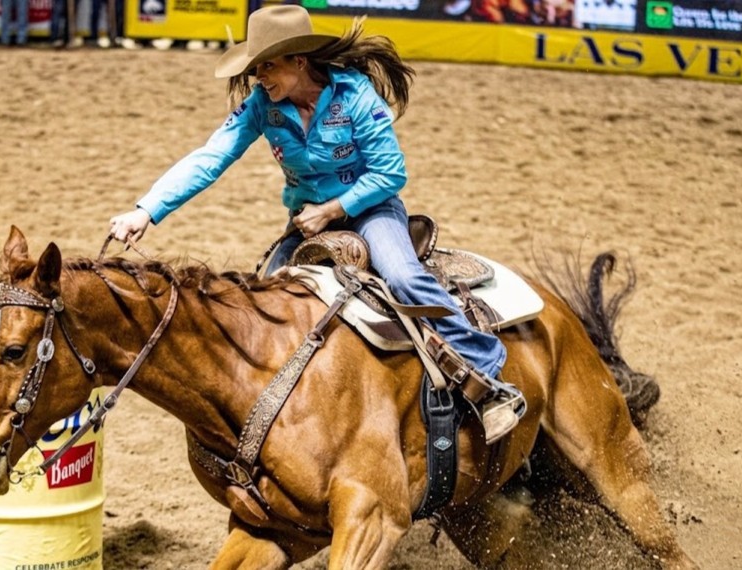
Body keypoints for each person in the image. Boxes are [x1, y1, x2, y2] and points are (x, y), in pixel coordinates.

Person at [107, 5, 524, 443]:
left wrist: (331, 210)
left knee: (403, 277)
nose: (260, 78)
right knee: (262, 307)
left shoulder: (356, 95)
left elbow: (390, 174)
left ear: (298, 61)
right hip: (307, 224)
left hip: (371, 212)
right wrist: (146, 210)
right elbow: (211, 157)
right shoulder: (261, 107)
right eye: (255, 69)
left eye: (268, 65)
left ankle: (489, 377)